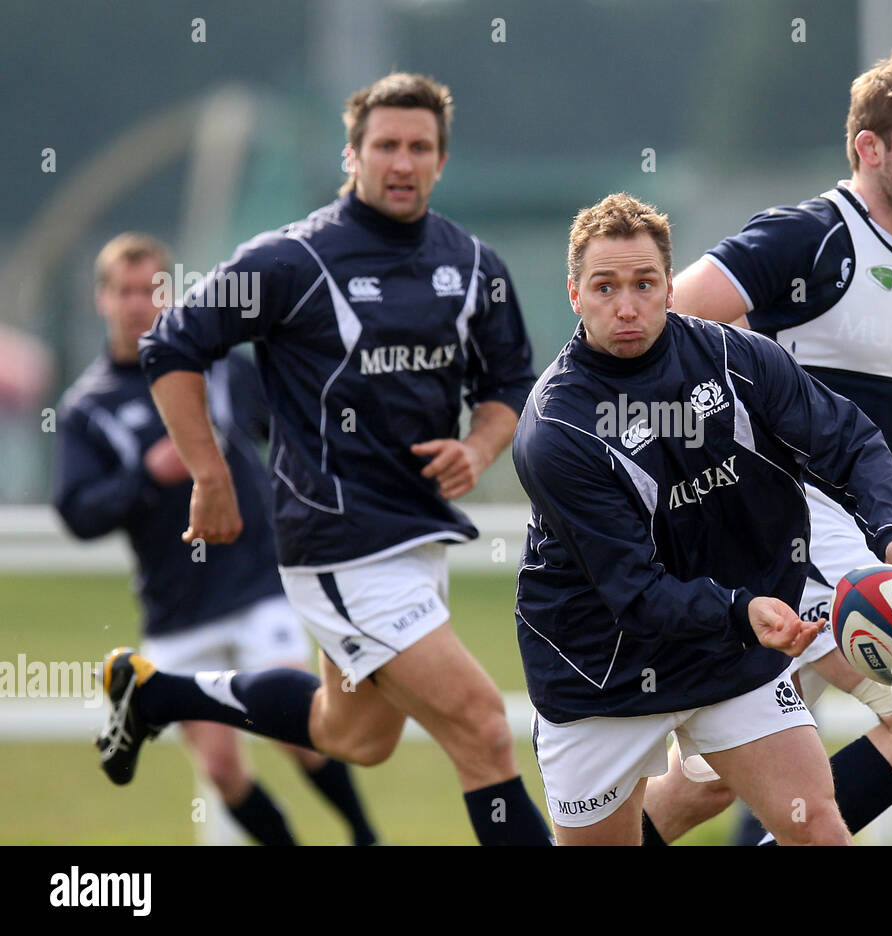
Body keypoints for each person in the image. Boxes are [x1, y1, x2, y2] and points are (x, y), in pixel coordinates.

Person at [98, 74, 552, 845]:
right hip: (339, 541)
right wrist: (209, 474)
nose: (401, 162)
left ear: (442, 160)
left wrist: (480, 445)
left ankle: (157, 694)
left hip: (418, 538)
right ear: (353, 153)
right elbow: (172, 347)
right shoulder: (290, 260)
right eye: (386, 146)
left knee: (352, 737)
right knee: (483, 728)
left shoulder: (474, 265)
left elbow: (510, 381)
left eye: (419, 147)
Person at [642, 49, 892, 846]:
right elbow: (673, 323)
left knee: (709, 785)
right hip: (791, 528)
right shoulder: (806, 238)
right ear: (870, 148)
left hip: (855, 534)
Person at [514, 191, 892, 845]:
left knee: (818, 830)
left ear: (670, 285)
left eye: (644, 284)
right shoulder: (557, 430)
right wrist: (743, 611)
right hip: (600, 672)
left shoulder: (735, 358)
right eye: (604, 286)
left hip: (730, 658)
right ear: (574, 294)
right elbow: (635, 593)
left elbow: (849, 439)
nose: (627, 305)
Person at [57, 233, 378, 845]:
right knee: (223, 769)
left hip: (259, 582)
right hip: (176, 607)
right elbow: (77, 513)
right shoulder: (86, 408)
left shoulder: (218, 370)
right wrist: (145, 476)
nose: (137, 304)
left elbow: (292, 425)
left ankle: (366, 835)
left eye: (151, 289)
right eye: (123, 291)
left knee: (300, 728)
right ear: (102, 299)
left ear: (171, 293)